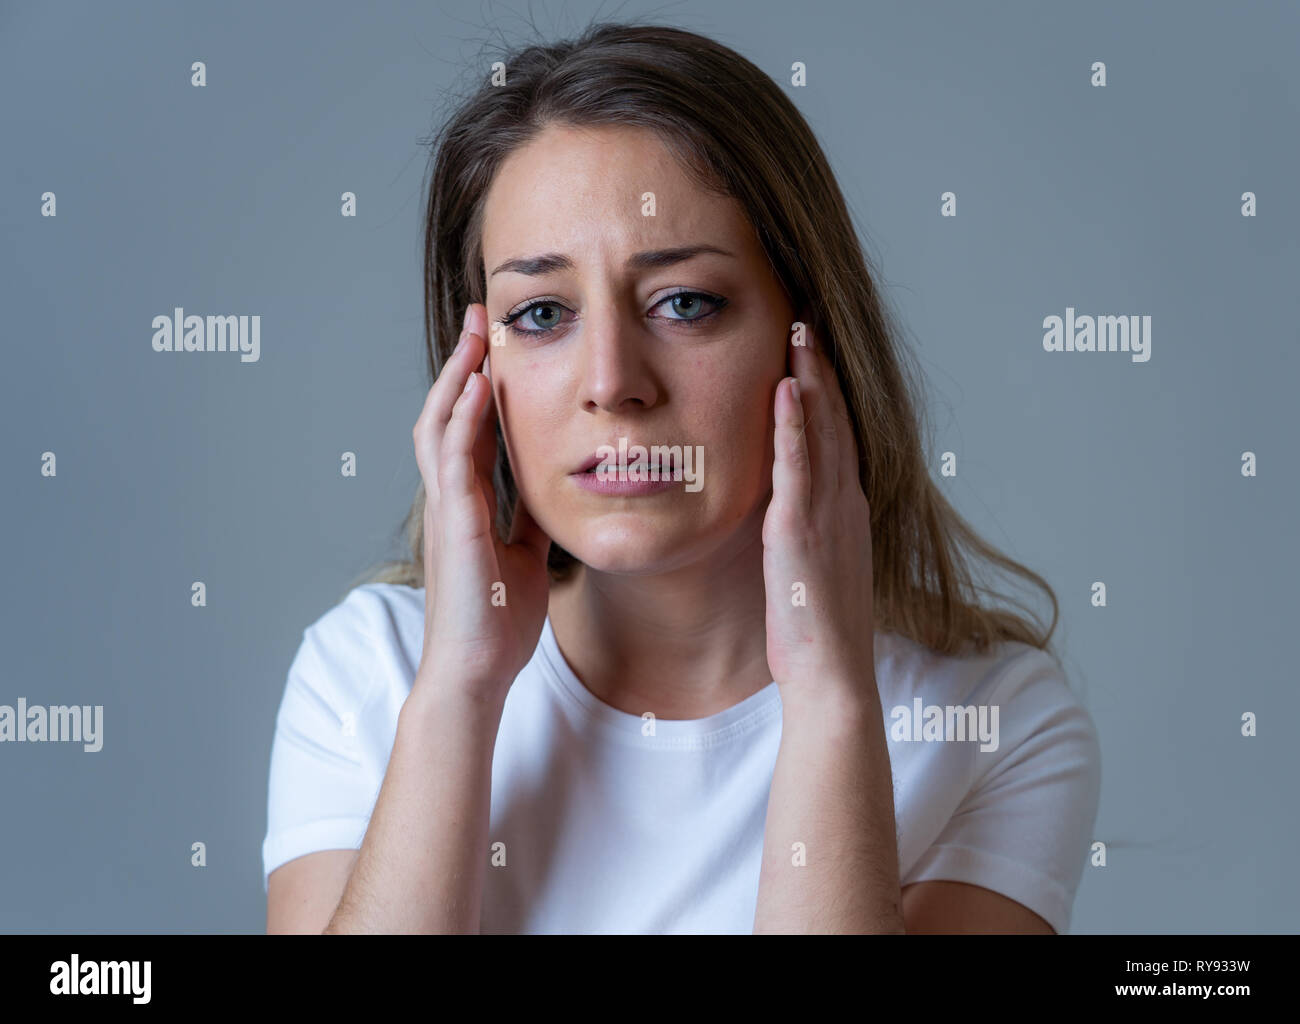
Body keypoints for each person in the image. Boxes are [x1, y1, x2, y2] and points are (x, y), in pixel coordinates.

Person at [262, 21, 1101, 934]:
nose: (613, 384)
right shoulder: (369, 677)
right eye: (542, 313)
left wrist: (829, 702)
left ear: (808, 336)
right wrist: (463, 687)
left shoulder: (991, 725)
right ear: (477, 372)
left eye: (685, 304)